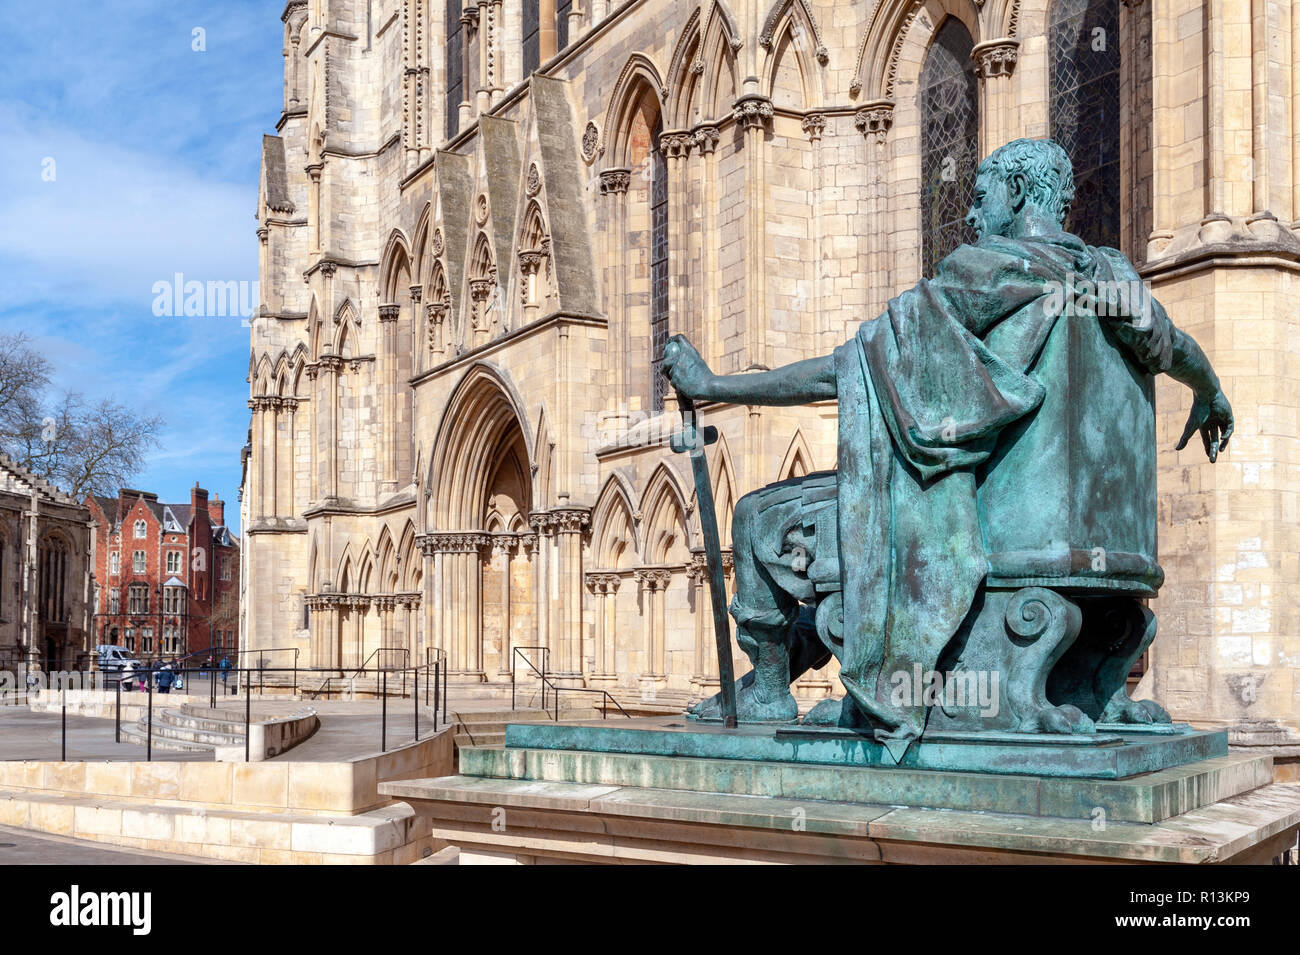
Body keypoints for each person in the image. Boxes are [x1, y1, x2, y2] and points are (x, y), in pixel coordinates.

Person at [665, 138, 1233, 741]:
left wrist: (717, 383)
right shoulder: (1110, 276)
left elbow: (847, 368)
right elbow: (1172, 348)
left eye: (981, 196)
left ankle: (772, 691)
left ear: (1014, 194)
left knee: (758, 514)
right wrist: (1211, 392)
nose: (970, 215)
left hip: (974, 514)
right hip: (1087, 544)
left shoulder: (984, 272)